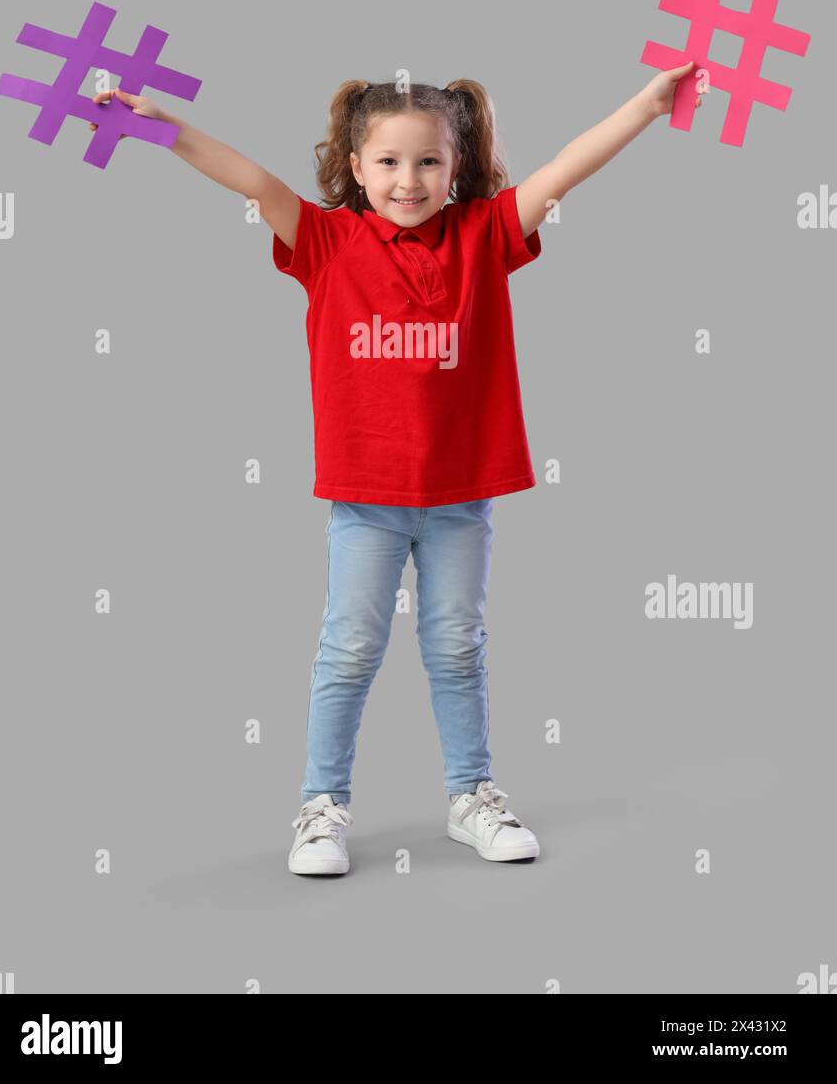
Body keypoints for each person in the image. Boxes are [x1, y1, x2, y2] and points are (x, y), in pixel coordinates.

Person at [91, 63, 702, 877]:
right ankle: (321, 807)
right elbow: (245, 174)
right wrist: (158, 122)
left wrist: (646, 106)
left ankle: (471, 796)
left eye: (428, 163)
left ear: (458, 168)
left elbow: (566, 170)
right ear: (354, 167)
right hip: (367, 501)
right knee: (349, 650)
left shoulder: (485, 235)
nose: (407, 181)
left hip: (460, 497)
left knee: (457, 648)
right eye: (387, 162)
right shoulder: (324, 241)